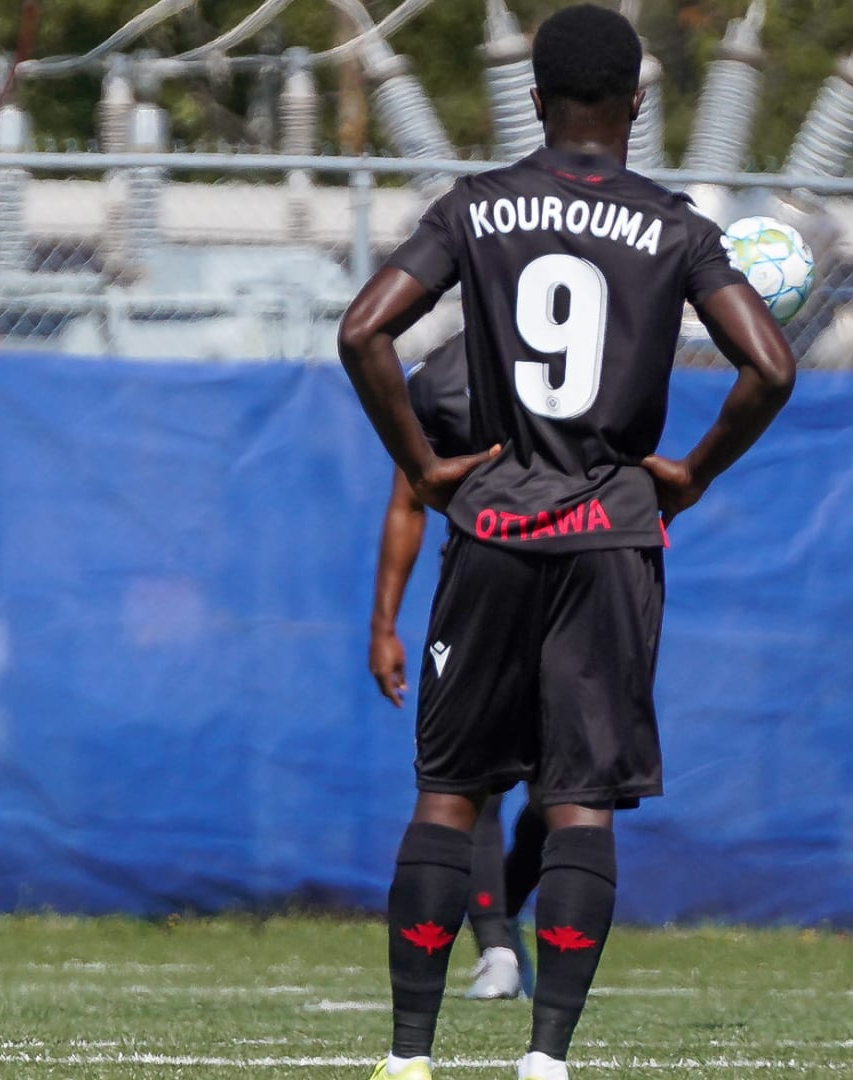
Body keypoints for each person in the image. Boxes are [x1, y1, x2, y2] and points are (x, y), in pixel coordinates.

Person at [336, 6, 795, 1080]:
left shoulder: (475, 207)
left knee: (450, 792)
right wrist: (693, 472)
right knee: (581, 801)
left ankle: (408, 1059)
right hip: (610, 538)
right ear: (638, 101)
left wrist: (426, 467)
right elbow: (771, 367)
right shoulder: (675, 226)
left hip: (493, 526)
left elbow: (363, 331)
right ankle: (546, 1060)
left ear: (535, 99)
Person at [368, 335, 545, 1002]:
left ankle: (506, 909)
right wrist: (384, 625)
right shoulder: (439, 376)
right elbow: (408, 499)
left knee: (563, 790)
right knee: (475, 779)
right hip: (479, 594)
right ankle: (495, 945)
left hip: (579, 589)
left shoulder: (589, 354)